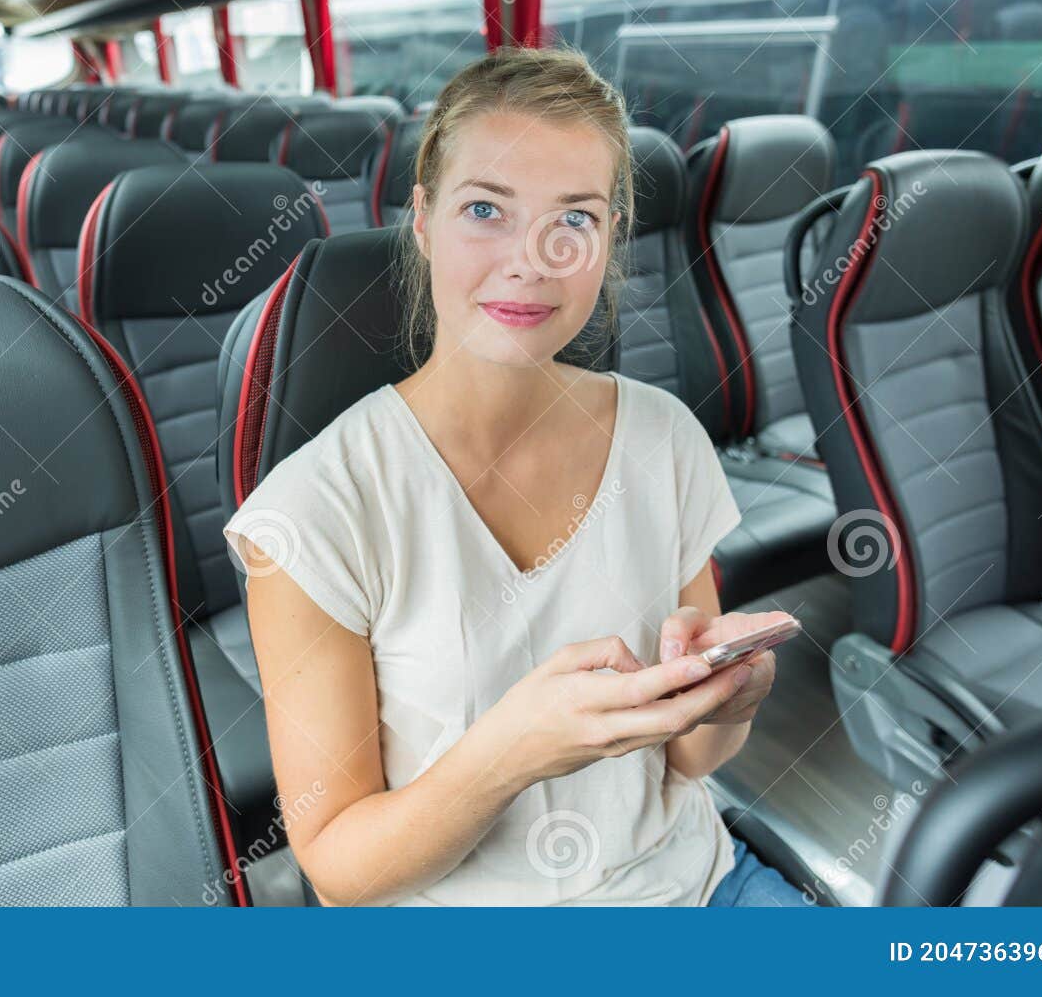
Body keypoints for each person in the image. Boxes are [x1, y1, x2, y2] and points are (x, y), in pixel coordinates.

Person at [224, 46, 804, 907]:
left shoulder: (664, 437)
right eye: (487, 209)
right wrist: (513, 753)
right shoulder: (316, 511)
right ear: (421, 220)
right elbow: (339, 868)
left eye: (575, 219)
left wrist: (728, 699)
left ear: (609, 240)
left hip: (696, 887)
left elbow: (687, 761)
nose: (534, 259)